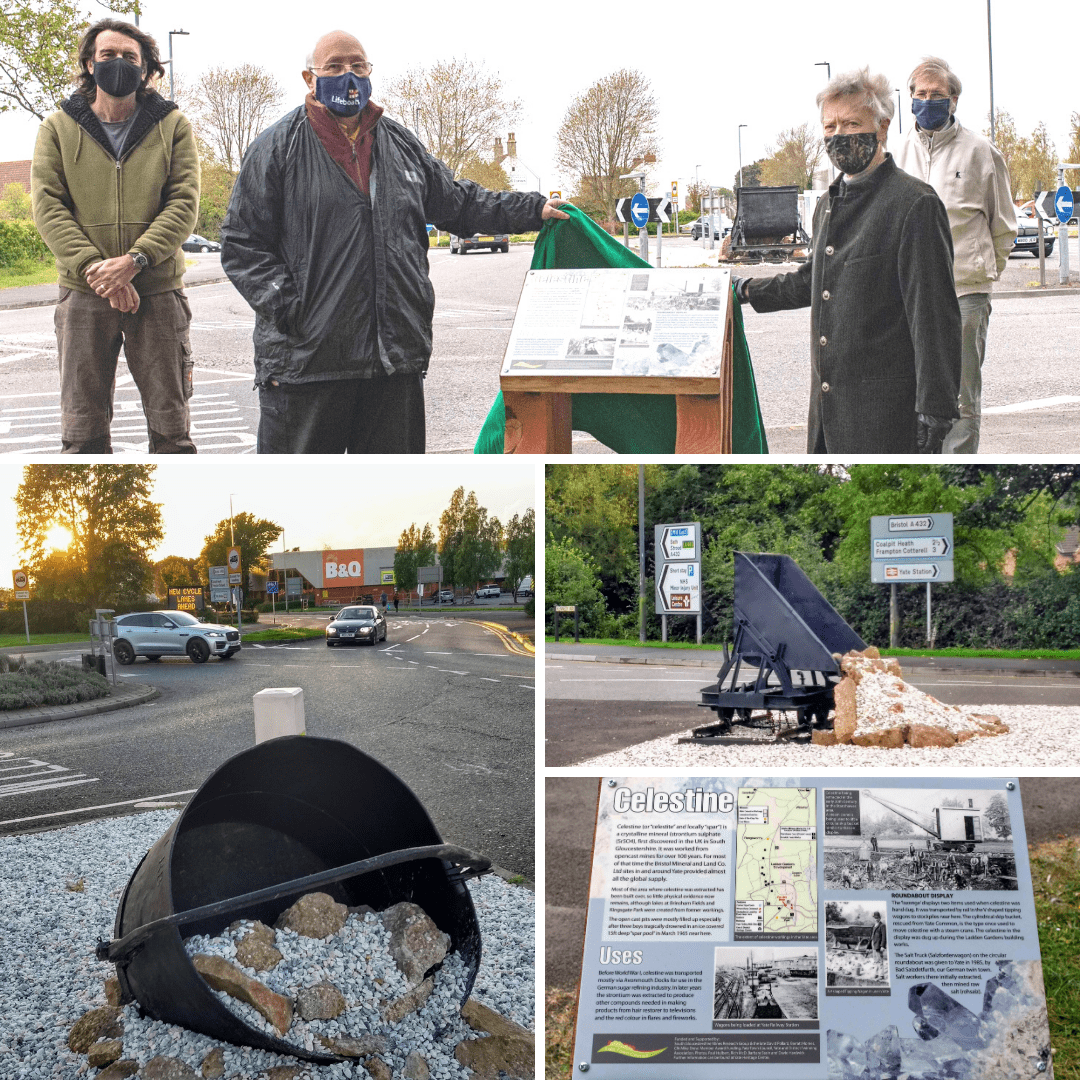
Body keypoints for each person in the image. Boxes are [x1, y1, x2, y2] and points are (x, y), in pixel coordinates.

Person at [221, 29, 569, 454]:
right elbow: (242, 243)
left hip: (393, 366)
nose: (349, 76)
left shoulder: (400, 144)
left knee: (394, 486)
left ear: (370, 72)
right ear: (309, 78)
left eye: (358, 66)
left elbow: (459, 203)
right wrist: (291, 308)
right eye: (334, 67)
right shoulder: (276, 148)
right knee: (300, 489)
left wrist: (533, 209)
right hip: (306, 367)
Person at [733, 67, 961, 453]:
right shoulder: (827, 204)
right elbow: (814, 280)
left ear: (882, 127)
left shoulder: (913, 204)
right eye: (830, 126)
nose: (839, 135)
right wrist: (744, 290)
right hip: (828, 419)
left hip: (886, 419)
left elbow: (933, 316)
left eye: (852, 123)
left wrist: (936, 407)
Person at [31, 19, 200, 453]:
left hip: (157, 292)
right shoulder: (57, 127)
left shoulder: (173, 125)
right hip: (83, 295)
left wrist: (134, 261)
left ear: (145, 69)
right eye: (108, 55)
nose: (118, 63)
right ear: (90, 63)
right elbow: (48, 207)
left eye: (130, 56)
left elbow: (183, 204)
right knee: (81, 433)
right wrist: (97, 270)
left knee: (172, 432)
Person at [894, 57, 1017, 454]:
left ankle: (955, 467)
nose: (928, 101)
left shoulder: (980, 152)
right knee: (911, 392)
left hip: (965, 293)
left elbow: (1004, 225)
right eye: (921, 94)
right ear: (910, 98)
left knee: (961, 396)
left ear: (954, 100)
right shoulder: (895, 153)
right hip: (907, 297)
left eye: (937, 95)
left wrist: (982, 273)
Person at [870, 912, 887, 978]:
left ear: (880, 918)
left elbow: (884, 936)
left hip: (878, 945)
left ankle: (881, 975)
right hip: (873, 944)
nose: (876, 919)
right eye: (875, 918)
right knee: (875, 960)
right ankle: (876, 973)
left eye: (877, 918)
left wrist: (882, 946)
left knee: (880, 960)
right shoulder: (874, 926)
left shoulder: (882, 926)